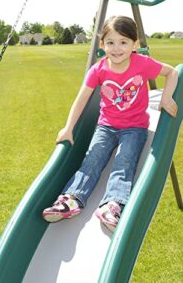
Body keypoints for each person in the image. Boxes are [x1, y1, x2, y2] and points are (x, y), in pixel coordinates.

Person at [43, 16, 178, 232]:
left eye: (123, 42)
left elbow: (172, 72)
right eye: (111, 42)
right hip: (106, 126)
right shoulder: (98, 70)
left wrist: (166, 97)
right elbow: (81, 99)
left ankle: (112, 205)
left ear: (134, 45)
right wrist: (68, 127)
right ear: (102, 44)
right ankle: (72, 198)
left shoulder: (142, 64)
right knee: (93, 159)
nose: (116, 48)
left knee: (124, 162)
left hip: (134, 128)